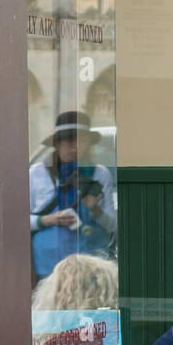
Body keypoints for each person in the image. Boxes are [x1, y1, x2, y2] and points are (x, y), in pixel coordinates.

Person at [30, 110, 117, 282]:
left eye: (81, 140)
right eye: (69, 140)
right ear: (57, 144)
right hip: (48, 267)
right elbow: (16, 221)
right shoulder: (35, 174)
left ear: (89, 144)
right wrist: (47, 220)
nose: (75, 146)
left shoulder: (100, 174)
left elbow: (113, 226)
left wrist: (96, 210)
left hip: (92, 264)